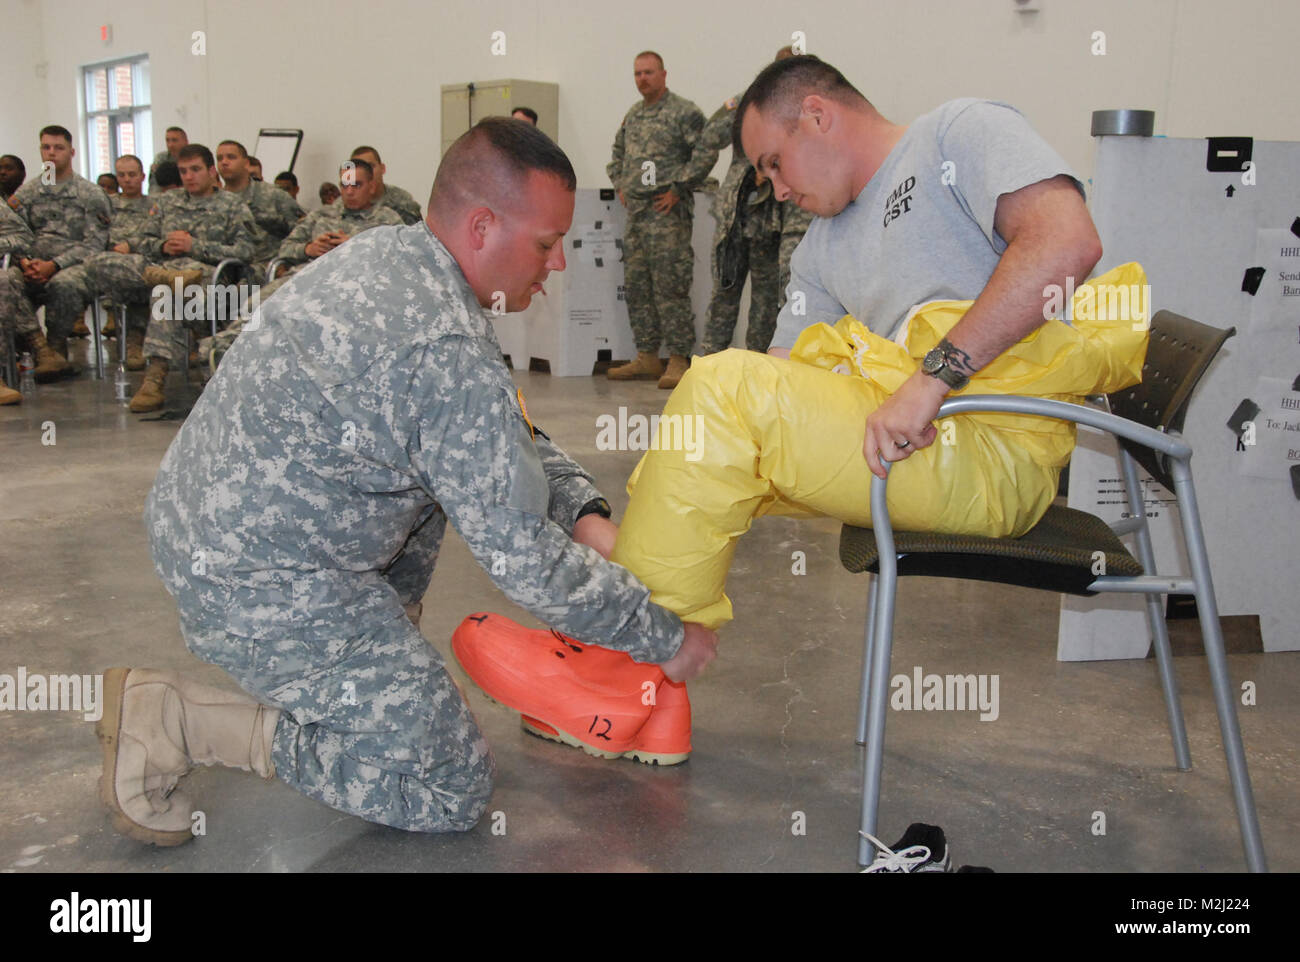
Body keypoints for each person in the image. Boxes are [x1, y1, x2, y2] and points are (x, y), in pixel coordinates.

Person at [453, 56, 1143, 765]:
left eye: (775, 163)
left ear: (817, 114)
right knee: (709, 422)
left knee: (721, 391)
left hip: (993, 449)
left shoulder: (958, 133)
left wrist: (932, 378)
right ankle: (649, 693)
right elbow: (774, 380)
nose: (777, 189)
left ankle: (615, 669)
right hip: (911, 448)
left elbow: (1067, 240)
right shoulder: (823, 247)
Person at [96, 117, 718, 846]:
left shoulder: (402, 257)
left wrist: (583, 510)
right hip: (258, 577)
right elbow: (525, 562)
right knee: (446, 783)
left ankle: (369, 687)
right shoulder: (442, 341)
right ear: (483, 226)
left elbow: (495, 435)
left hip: (237, 533)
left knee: (418, 698)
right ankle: (177, 723)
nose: (556, 268)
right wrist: (662, 637)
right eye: (547, 245)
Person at [605, 51, 717, 389]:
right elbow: (618, 153)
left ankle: (679, 359)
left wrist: (679, 188)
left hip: (666, 214)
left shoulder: (685, 112)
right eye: (637, 73)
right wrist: (621, 183)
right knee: (638, 286)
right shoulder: (634, 115)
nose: (642, 79)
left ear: (664, 75)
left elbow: (706, 152)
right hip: (637, 214)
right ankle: (648, 356)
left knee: (671, 285)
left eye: (649, 72)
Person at [127, 143, 258, 413]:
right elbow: (140, 240)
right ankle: (154, 375)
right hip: (171, 274)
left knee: (166, 292)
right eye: (183, 171)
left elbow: (246, 251)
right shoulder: (167, 202)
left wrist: (194, 247)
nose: (189, 176)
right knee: (165, 288)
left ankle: (155, 377)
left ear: (212, 171)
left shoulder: (232, 205)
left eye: (195, 170)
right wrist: (164, 246)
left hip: (212, 283)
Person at [11, 125, 111, 372]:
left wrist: (54, 265)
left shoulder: (90, 194)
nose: (52, 153)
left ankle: (56, 348)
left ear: (72, 152)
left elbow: (95, 244)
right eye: (46, 147)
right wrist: (26, 262)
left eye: (59, 148)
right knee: (6, 281)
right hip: (33, 266)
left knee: (63, 283)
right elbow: (15, 234)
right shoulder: (28, 193)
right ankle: (37, 347)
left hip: (76, 267)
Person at [83, 154, 160, 367]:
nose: (127, 180)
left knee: (139, 274)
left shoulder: (156, 205)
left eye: (132, 174)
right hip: (110, 263)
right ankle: (133, 339)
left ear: (143, 176)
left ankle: (134, 339)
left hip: (143, 261)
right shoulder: (106, 205)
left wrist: (132, 246)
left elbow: (157, 237)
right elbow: (94, 236)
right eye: (122, 175)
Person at [217, 139, 303, 271]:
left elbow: (301, 231)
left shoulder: (273, 195)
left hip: (265, 269)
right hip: (225, 268)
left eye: (231, 157)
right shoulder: (216, 200)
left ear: (246, 163)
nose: (224, 162)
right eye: (219, 158)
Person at [350, 145, 422, 225]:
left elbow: (416, 235)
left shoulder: (402, 201)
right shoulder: (342, 205)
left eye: (370, 166)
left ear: (382, 168)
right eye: (360, 168)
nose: (367, 173)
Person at [149, 126, 187, 194]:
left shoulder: (194, 158)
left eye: (174, 140)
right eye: (167, 140)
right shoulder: (160, 158)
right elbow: (154, 186)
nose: (170, 145)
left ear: (185, 142)